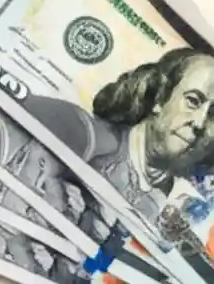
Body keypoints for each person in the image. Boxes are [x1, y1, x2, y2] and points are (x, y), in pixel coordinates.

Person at [30, 48, 214, 228]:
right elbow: (10, 108)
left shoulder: (171, 203)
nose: (199, 123)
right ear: (160, 97)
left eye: (213, 115)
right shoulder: (87, 134)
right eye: (193, 101)